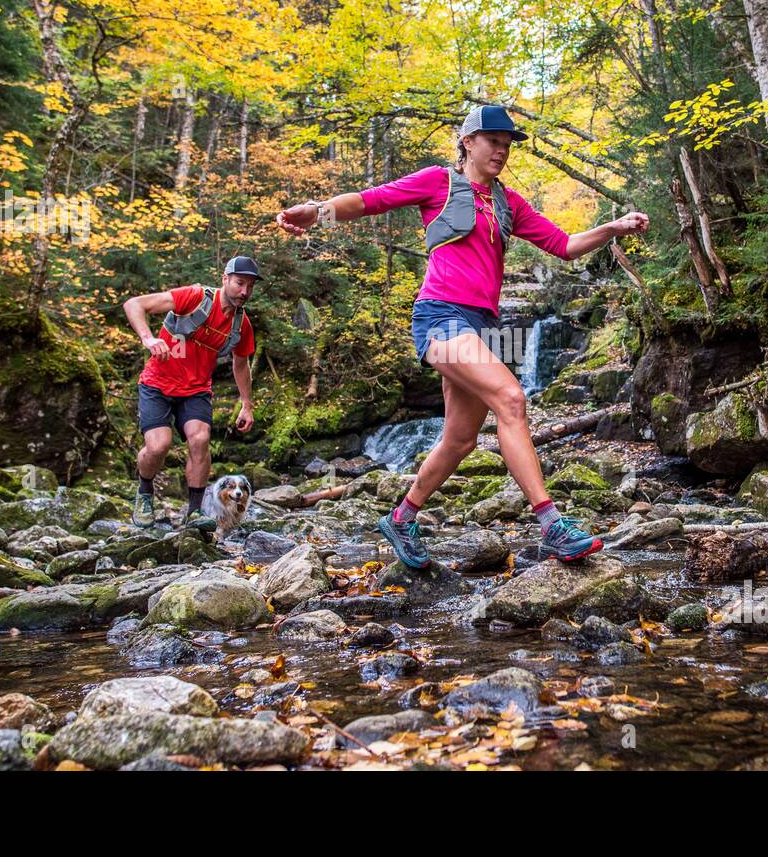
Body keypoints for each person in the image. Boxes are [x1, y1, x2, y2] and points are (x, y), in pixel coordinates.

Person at [276, 105, 649, 568]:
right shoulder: (437, 181)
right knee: (511, 398)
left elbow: (564, 246)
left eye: (507, 143)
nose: (501, 149)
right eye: (493, 140)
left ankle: (402, 516)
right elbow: (369, 201)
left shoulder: (509, 203)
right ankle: (551, 524)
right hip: (440, 316)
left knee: (459, 440)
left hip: (483, 326)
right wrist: (317, 212)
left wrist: (612, 228)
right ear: (468, 142)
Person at [122, 256, 259, 529]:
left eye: (250, 286)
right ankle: (145, 491)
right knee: (158, 446)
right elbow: (134, 304)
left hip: (195, 390)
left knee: (200, 439)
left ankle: (194, 512)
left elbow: (241, 363)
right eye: (239, 283)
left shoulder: (241, 325)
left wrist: (246, 404)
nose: (244, 292)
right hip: (157, 384)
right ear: (225, 280)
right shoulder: (195, 297)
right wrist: (148, 338)